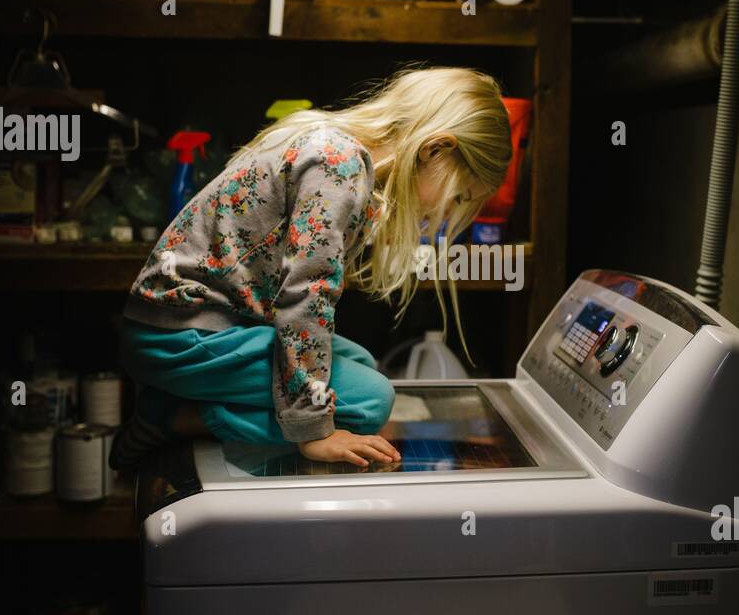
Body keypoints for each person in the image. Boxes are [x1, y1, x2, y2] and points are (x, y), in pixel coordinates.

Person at [109, 66, 512, 470]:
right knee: (369, 401)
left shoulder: (333, 146)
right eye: (460, 196)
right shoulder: (339, 168)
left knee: (361, 364)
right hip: (180, 337)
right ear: (435, 148)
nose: (448, 213)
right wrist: (313, 429)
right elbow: (307, 295)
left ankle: (177, 401)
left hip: (195, 327)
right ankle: (174, 418)